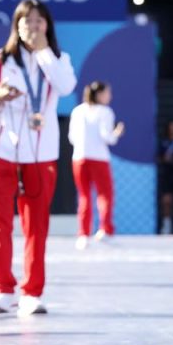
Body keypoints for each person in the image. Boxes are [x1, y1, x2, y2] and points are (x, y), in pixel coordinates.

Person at [0, 0, 77, 315]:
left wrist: (45, 52)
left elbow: (67, 86)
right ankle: (3, 290)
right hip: (0, 151)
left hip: (40, 153)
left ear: (47, 25)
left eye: (39, 20)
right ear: (16, 27)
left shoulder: (58, 60)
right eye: (26, 21)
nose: (33, 26)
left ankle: (32, 292)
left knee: (36, 226)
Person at [68, 81, 125, 250]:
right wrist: (117, 133)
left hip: (79, 157)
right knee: (105, 195)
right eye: (108, 93)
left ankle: (83, 235)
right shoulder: (105, 112)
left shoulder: (77, 111)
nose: (110, 96)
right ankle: (105, 230)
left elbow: (72, 137)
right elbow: (107, 137)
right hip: (99, 158)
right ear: (99, 94)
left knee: (84, 196)